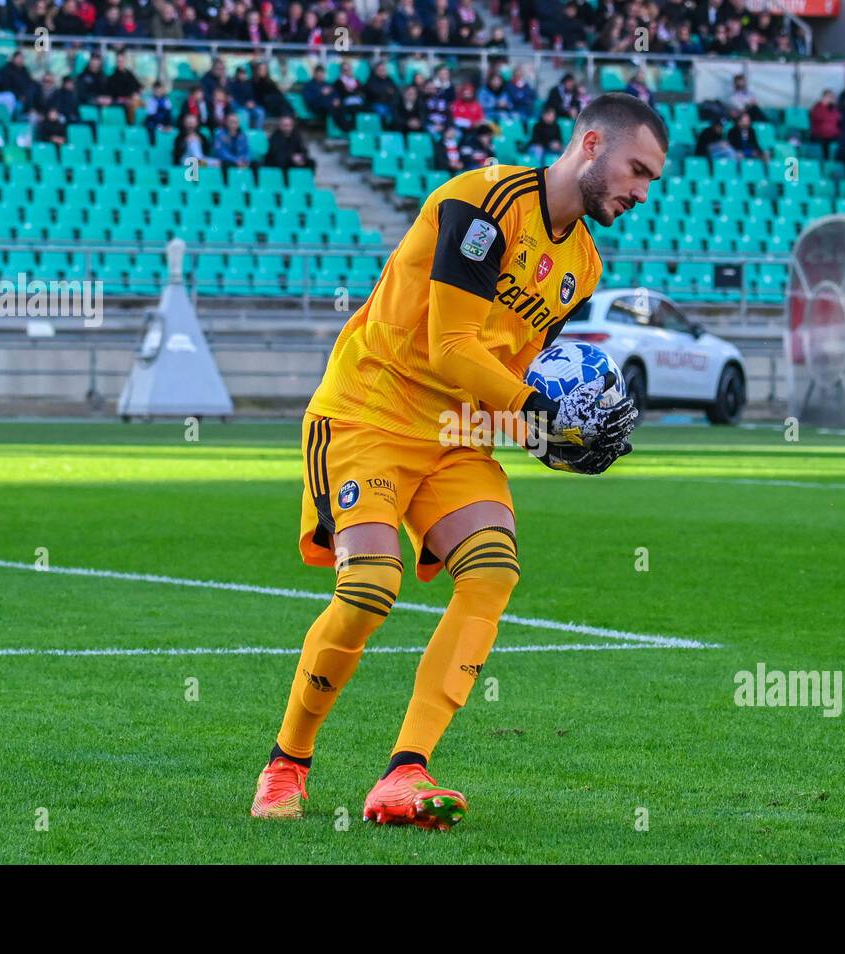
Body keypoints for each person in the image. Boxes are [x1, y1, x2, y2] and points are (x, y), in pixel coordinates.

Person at [250, 93, 657, 829]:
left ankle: (404, 771)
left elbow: (507, 369)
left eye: (651, 180)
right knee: (371, 589)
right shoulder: (483, 201)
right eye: (637, 170)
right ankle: (287, 764)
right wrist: (540, 411)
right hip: (370, 411)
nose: (641, 191)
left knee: (493, 572)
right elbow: (451, 345)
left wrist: (550, 438)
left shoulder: (584, 266)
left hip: (457, 433)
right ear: (591, 143)